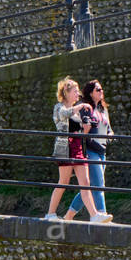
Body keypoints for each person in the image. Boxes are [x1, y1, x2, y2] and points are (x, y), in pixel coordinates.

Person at [44, 77, 111, 224]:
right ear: (66, 92)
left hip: (78, 148)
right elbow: (63, 115)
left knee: (85, 183)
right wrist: (80, 107)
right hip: (64, 149)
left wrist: (86, 129)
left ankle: (95, 215)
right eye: (75, 91)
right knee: (63, 182)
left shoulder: (76, 112)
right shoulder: (59, 107)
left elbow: (79, 133)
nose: (77, 94)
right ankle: (50, 213)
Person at [67, 79, 112, 221]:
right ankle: (101, 214)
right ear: (91, 93)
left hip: (102, 150)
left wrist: (110, 136)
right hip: (90, 150)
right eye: (98, 90)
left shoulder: (103, 110)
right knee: (99, 185)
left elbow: (109, 129)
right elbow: (80, 129)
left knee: (91, 187)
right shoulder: (86, 108)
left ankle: (69, 216)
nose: (101, 91)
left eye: (101, 89)